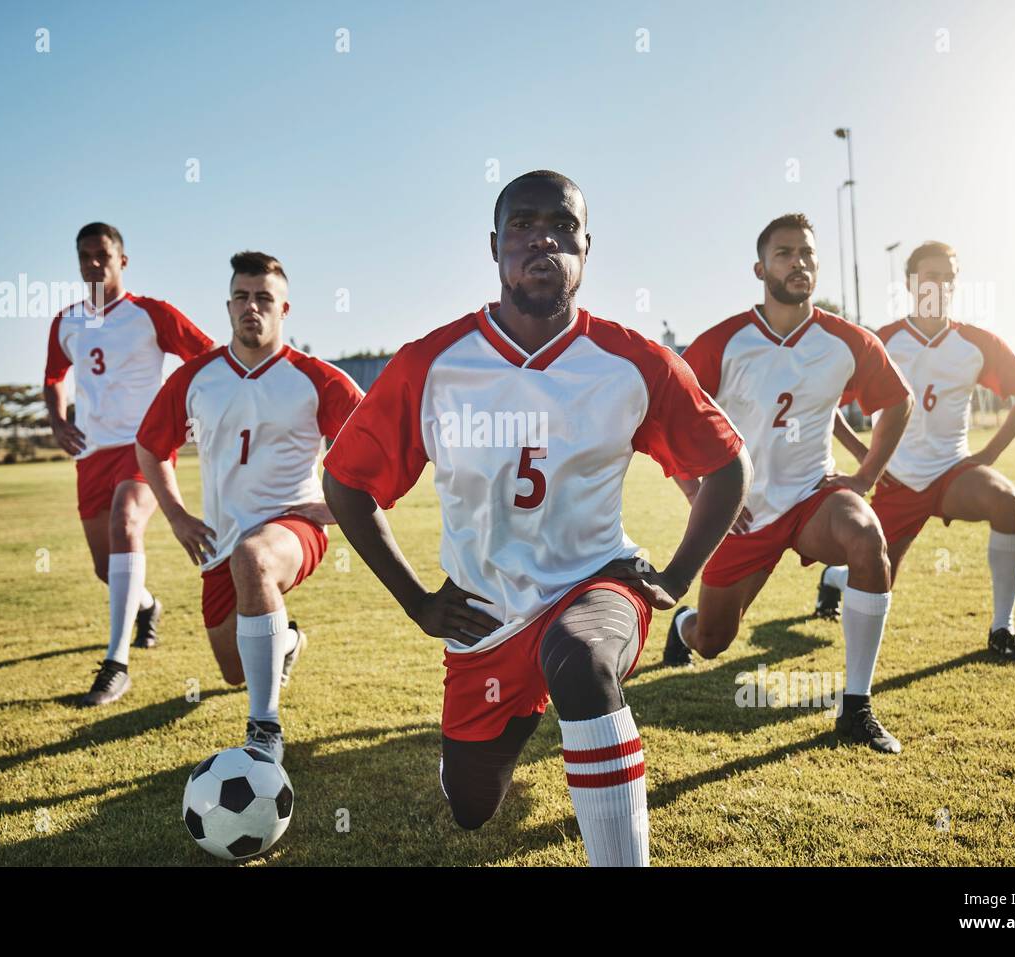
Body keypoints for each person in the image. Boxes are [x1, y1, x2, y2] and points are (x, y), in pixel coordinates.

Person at [322, 171, 750, 865]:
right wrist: (418, 603)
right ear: (495, 247)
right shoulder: (432, 364)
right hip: (484, 620)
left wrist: (675, 574)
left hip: (595, 586)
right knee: (469, 807)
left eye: (562, 225)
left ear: (586, 248)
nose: (542, 237)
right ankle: (520, 711)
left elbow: (728, 465)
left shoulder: (630, 362)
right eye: (522, 224)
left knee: (579, 658)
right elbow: (345, 485)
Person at [668, 213, 913, 754]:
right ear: (760, 268)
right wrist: (698, 493)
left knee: (867, 540)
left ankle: (856, 707)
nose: (798, 262)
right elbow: (668, 416)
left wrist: (866, 474)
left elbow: (898, 401)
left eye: (806, 253)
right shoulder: (722, 342)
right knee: (713, 642)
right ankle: (683, 625)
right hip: (743, 510)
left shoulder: (846, 341)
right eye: (784, 253)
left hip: (812, 496)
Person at [135, 251, 363, 760]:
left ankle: (265, 729)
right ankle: (284, 642)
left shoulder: (316, 378)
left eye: (264, 298)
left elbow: (376, 441)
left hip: (293, 527)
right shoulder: (197, 378)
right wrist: (176, 515)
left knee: (254, 559)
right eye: (242, 296)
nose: (251, 307)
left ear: (285, 309)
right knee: (235, 670)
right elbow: (150, 446)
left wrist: (339, 506)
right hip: (219, 540)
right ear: (228, 305)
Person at [817, 241, 1015, 663]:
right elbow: (825, 399)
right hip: (896, 480)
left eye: (948, 276)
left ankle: (1002, 630)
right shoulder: (881, 341)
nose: (939, 284)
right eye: (930, 276)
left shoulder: (975, 342)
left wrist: (989, 455)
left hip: (953, 473)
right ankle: (834, 579)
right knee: (875, 579)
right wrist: (868, 459)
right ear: (909, 283)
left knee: (1006, 501)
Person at [44, 223, 215, 706]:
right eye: (85, 256)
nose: (93, 264)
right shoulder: (67, 322)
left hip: (144, 448)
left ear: (123, 260)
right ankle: (147, 605)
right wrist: (58, 421)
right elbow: (54, 376)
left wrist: (182, 414)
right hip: (91, 454)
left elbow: (206, 356)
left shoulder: (149, 314)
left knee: (126, 519)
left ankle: (115, 665)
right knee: (106, 567)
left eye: (102, 254)